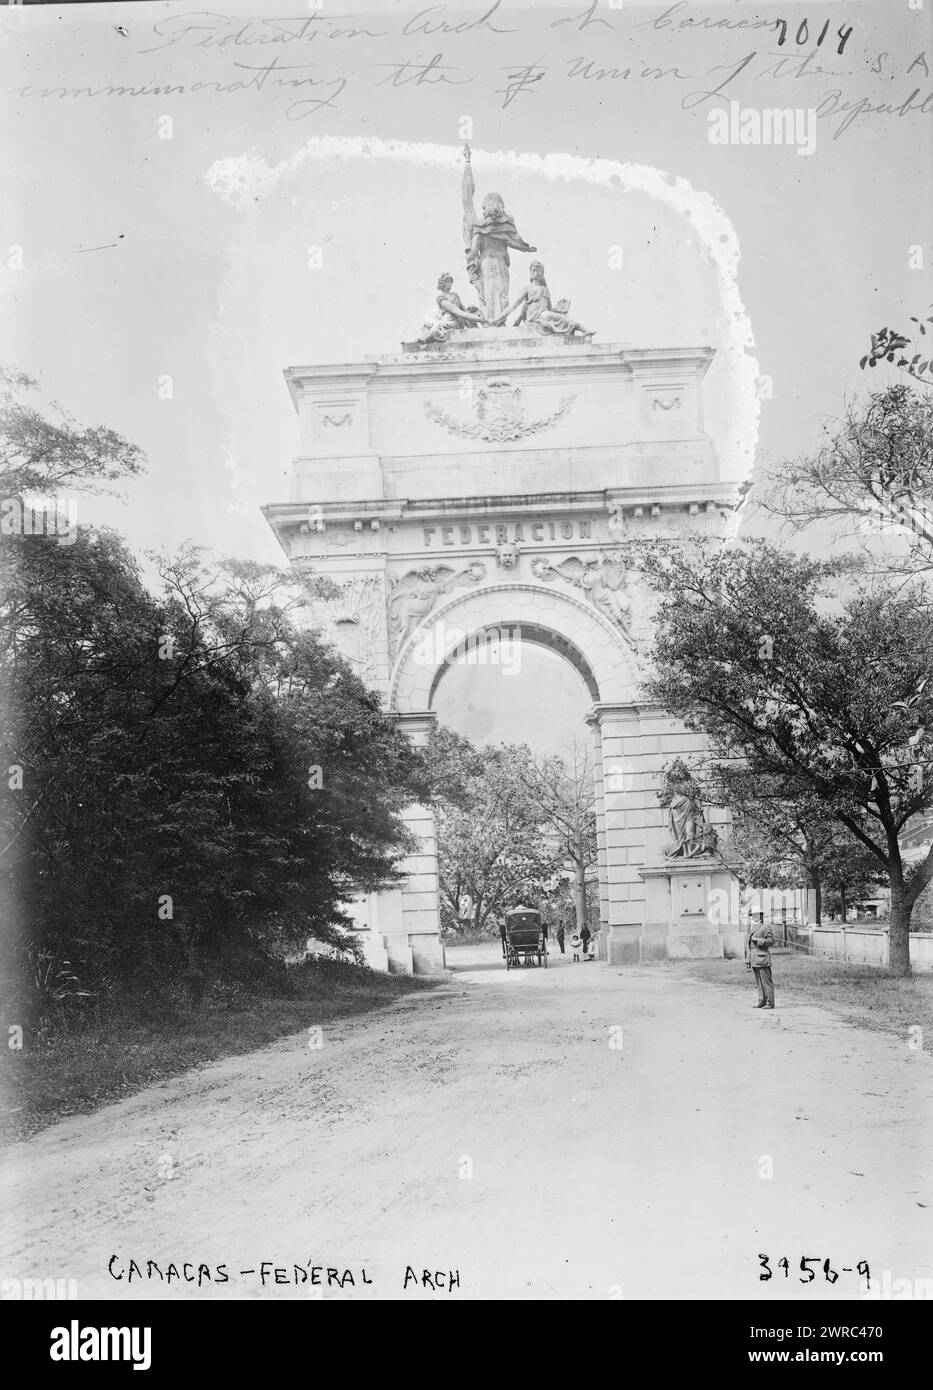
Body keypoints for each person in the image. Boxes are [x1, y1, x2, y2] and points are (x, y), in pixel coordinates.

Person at [746, 916, 776, 1009]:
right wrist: (748, 959)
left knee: (766, 982)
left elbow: (771, 941)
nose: (754, 916)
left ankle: (770, 1002)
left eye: (756, 914)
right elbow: (749, 946)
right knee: (759, 982)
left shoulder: (765, 927)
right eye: (752, 914)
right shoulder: (751, 927)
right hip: (754, 959)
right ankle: (762, 1001)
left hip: (763, 958)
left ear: (760, 915)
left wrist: (757, 940)